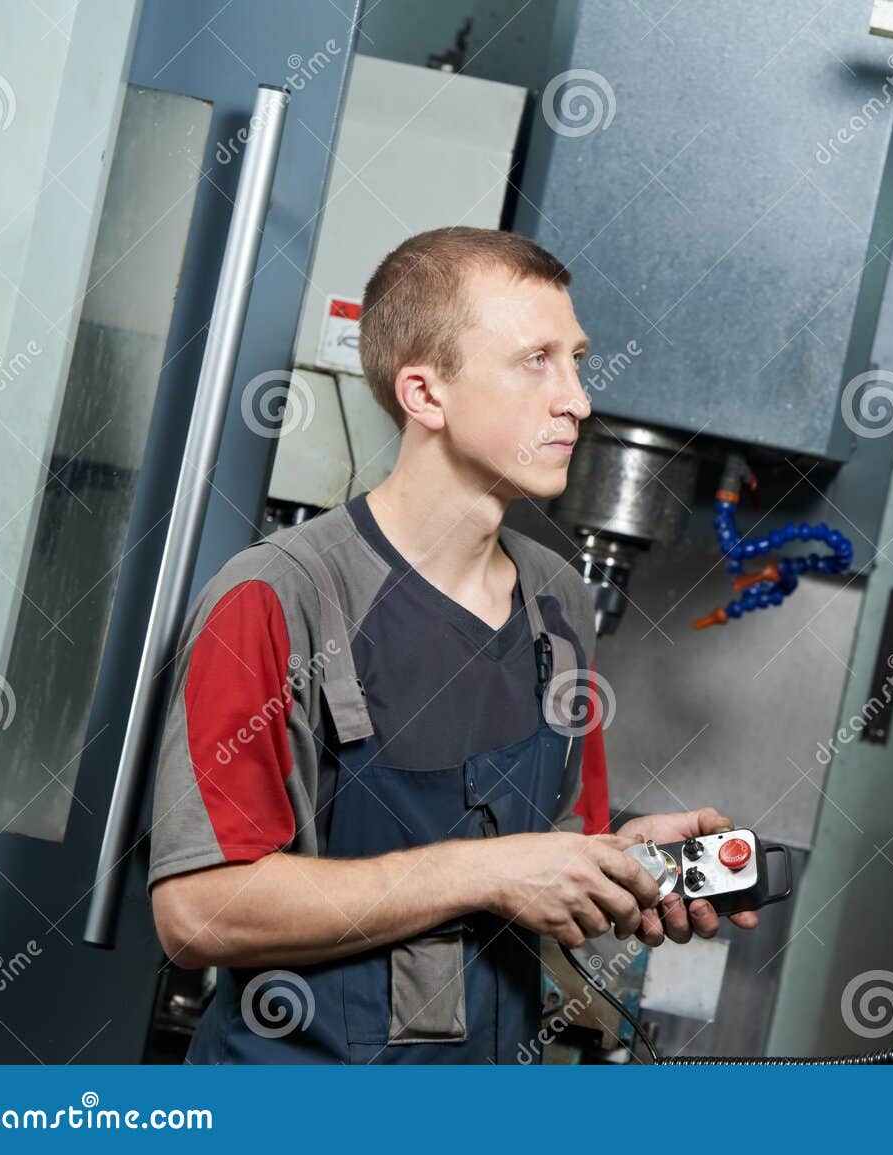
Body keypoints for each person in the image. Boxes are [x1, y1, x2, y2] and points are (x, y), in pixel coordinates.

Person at [147, 227, 756, 1063]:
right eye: (537, 360)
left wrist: (626, 859)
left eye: (576, 359)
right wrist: (489, 873)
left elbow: (549, 840)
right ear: (425, 394)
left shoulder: (557, 600)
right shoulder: (278, 597)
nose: (578, 399)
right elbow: (199, 910)